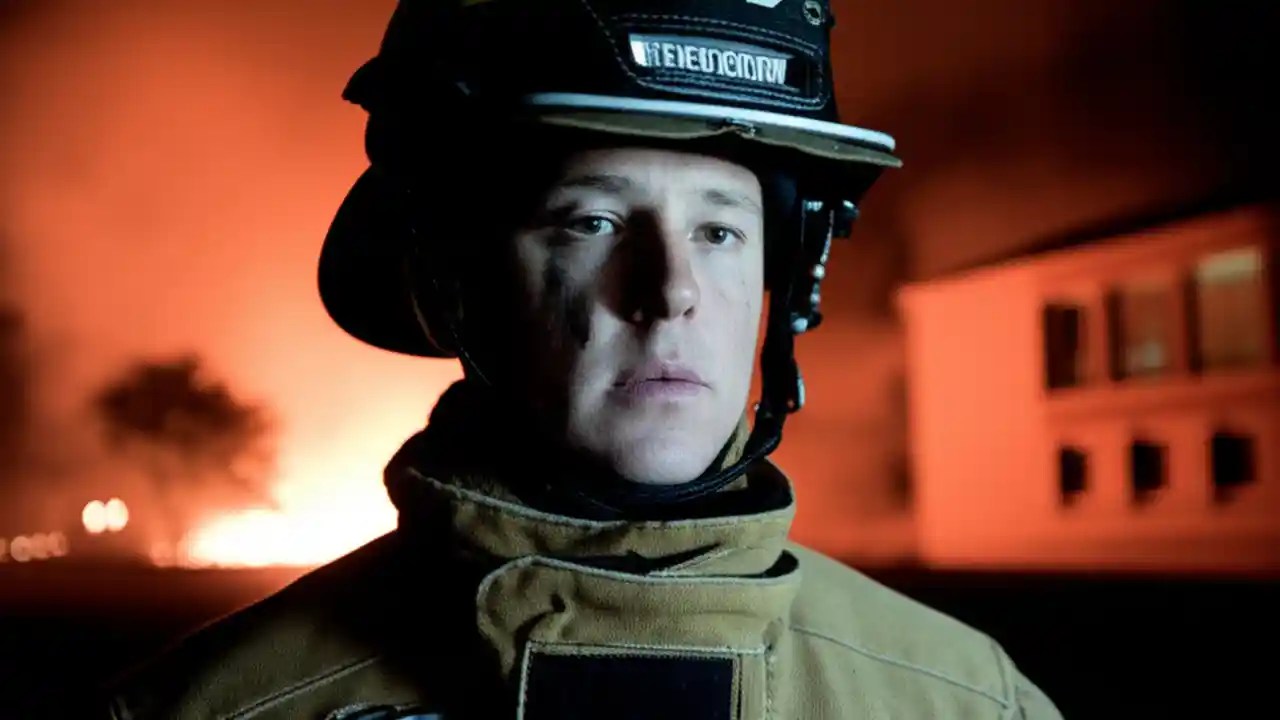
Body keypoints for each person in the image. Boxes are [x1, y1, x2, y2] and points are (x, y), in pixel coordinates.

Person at [99, 1, 1062, 718]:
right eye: (593, 221)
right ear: (454, 282)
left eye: (721, 232)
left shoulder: (970, 700)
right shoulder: (217, 709)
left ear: (787, 282)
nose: (671, 291)